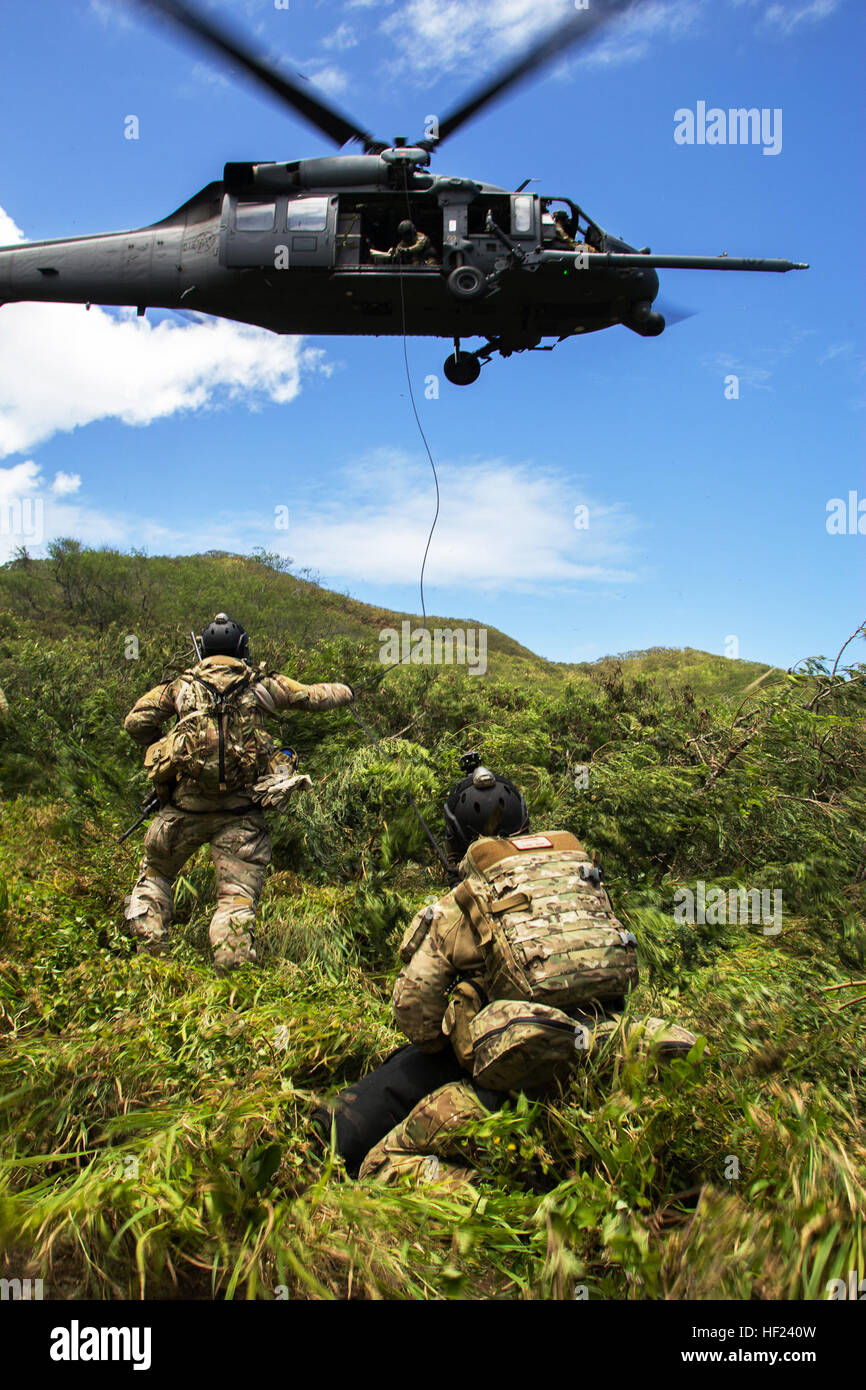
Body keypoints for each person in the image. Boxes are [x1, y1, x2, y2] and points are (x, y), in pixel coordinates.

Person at [316, 760, 697, 1187]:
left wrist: (466, 1016)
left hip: (515, 1070)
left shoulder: (452, 908)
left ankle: (500, 1188)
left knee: (380, 1162)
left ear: (454, 839)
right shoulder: (577, 878)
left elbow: (416, 1020)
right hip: (601, 1049)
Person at [122, 613, 354, 971]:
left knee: (156, 876)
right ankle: (231, 974)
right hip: (240, 814)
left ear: (204, 648)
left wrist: (161, 749)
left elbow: (135, 721)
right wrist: (348, 691)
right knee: (235, 900)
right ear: (243, 648)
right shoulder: (261, 684)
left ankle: (151, 961)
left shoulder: (181, 687)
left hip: (184, 808)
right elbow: (313, 697)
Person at [369, 219, 437, 266]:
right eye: (404, 235)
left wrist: (406, 250)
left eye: (407, 235)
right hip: (416, 264)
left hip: (428, 260)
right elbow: (398, 251)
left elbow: (419, 246)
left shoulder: (421, 237)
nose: (406, 238)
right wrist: (394, 251)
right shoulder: (403, 243)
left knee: (432, 262)